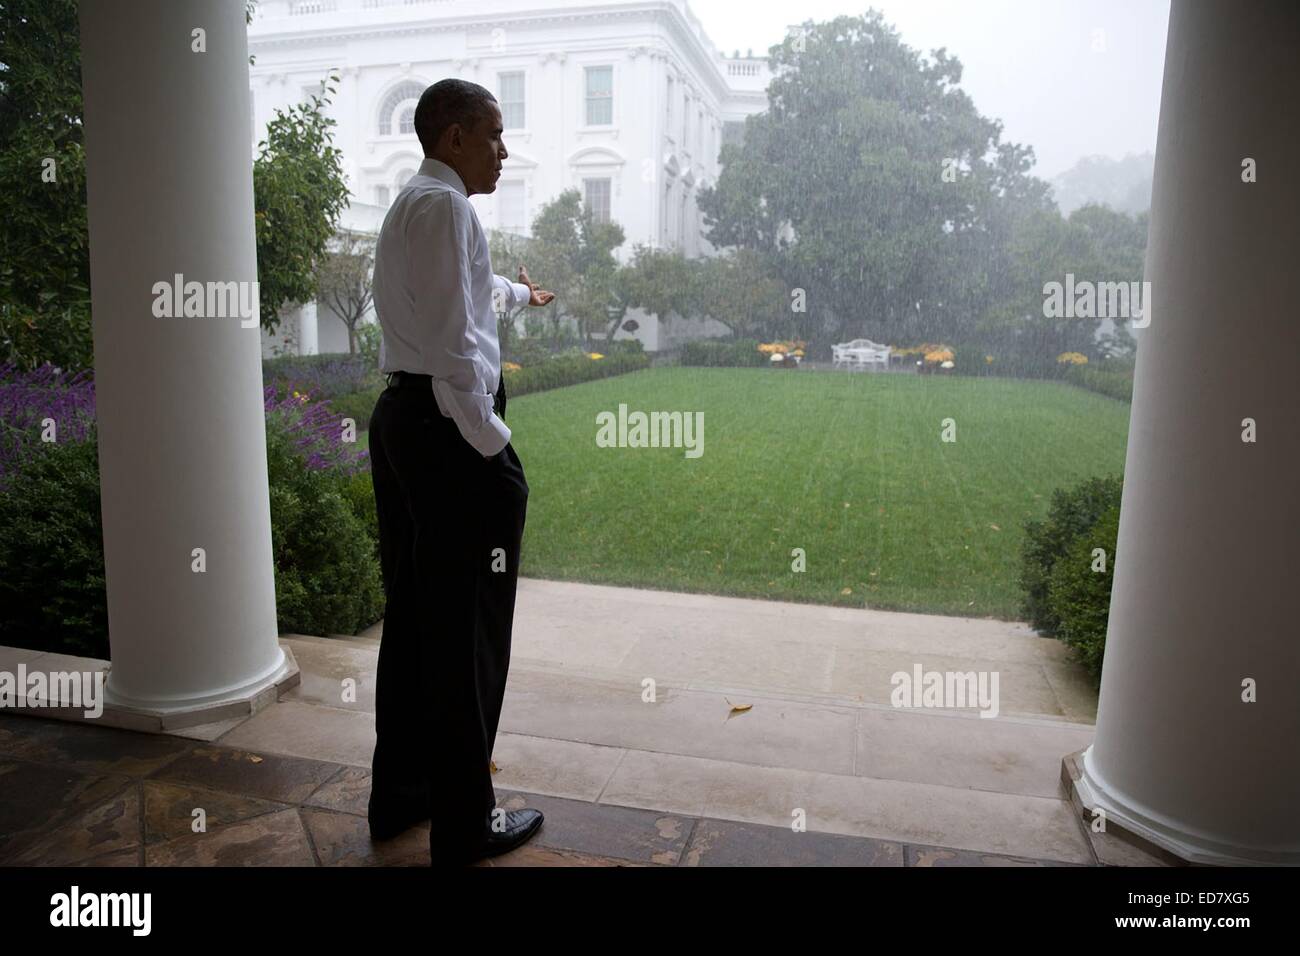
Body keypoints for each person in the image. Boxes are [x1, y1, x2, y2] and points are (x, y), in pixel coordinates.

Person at [366, 78, 556, 866]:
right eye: (493, 134)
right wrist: (492, 447)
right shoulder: (445, 208)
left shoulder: (422, 204)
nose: (504, 151)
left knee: (417, 624)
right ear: (451, 137)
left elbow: (466, 295)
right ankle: (464, 826)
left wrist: (518, 290)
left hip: (406, 424)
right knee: (467, 637)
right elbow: (453, 349)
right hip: (449, 437)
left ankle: (402, 798)